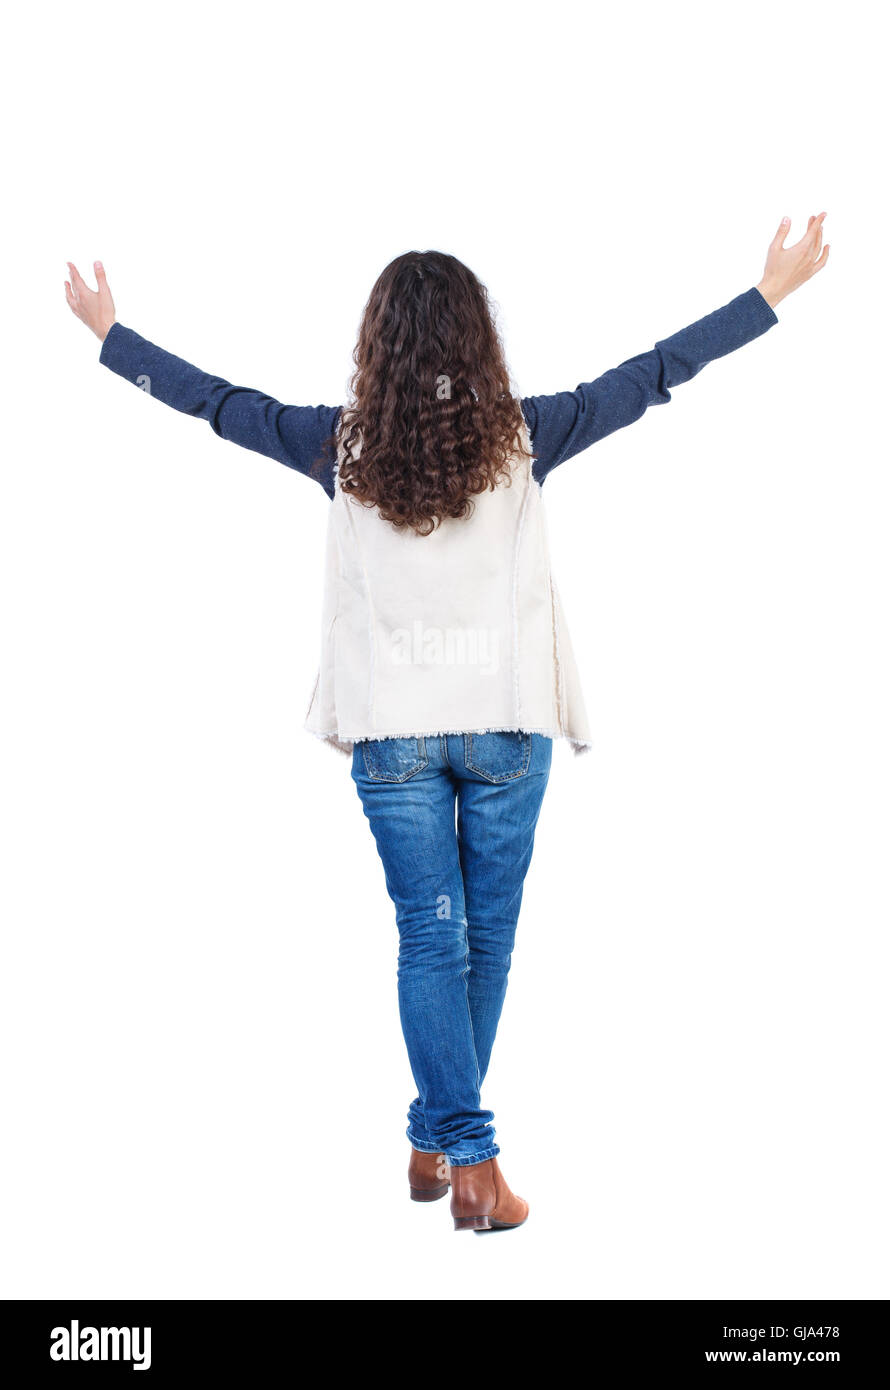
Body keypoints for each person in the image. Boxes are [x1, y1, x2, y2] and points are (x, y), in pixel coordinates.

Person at [64, 215, 830, 1232]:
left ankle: (436, 1138)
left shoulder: (333, 444)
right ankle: (472, 1164)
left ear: (376, 346)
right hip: (506, 732)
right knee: (485, 944)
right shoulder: (528, 433)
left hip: (396, 740)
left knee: (432, 942)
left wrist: (113, 337)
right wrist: (766, 294)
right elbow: (653, 374)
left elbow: (215, 405)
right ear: (475, 342)